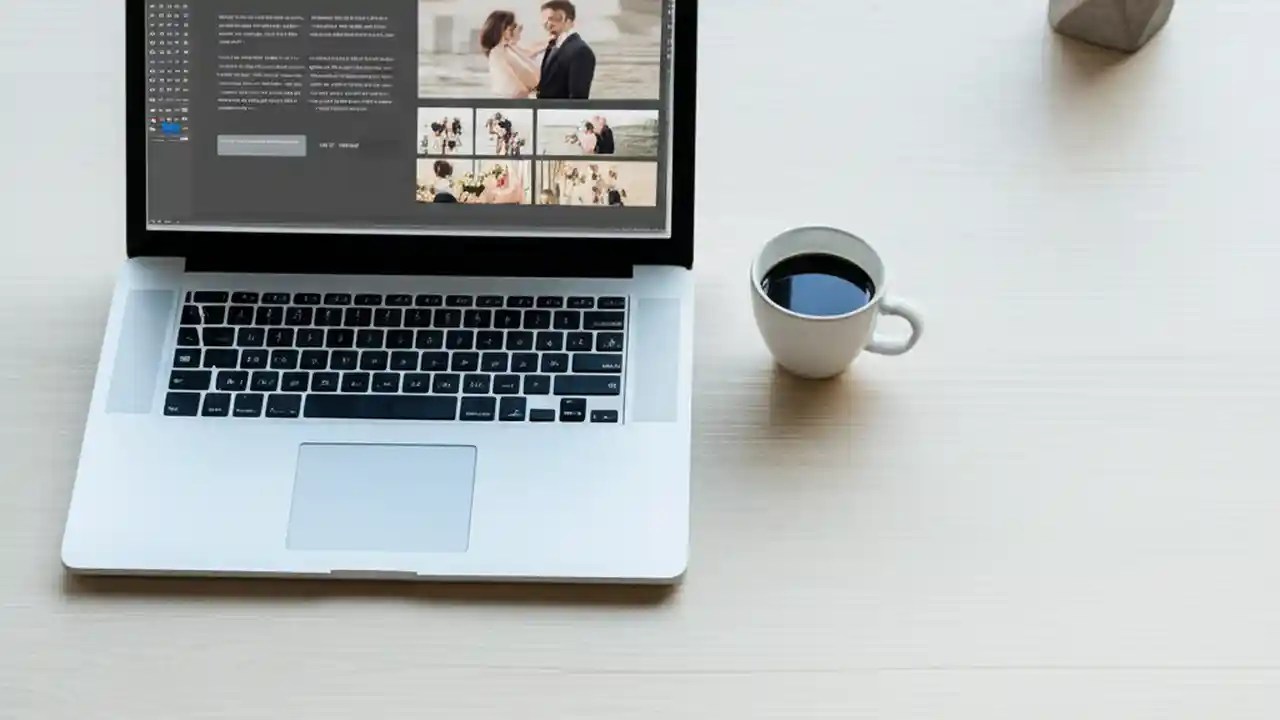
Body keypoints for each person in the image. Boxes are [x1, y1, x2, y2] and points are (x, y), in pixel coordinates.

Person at [537, 0, 595, 100]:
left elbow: (578, 97)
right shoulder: (552, 45)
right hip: (545, 112)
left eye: (553, 19)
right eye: (545, 19)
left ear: (569, 21)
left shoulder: (580, 51)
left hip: (560, 113)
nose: (548, 24)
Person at [480, 11, 542, 99]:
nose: (517, 29)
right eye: (514, 26)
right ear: (504, 30)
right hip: (526, 105)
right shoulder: (497, 54)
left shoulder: (509, 48)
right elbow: (516, 90)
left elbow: (530, 51)